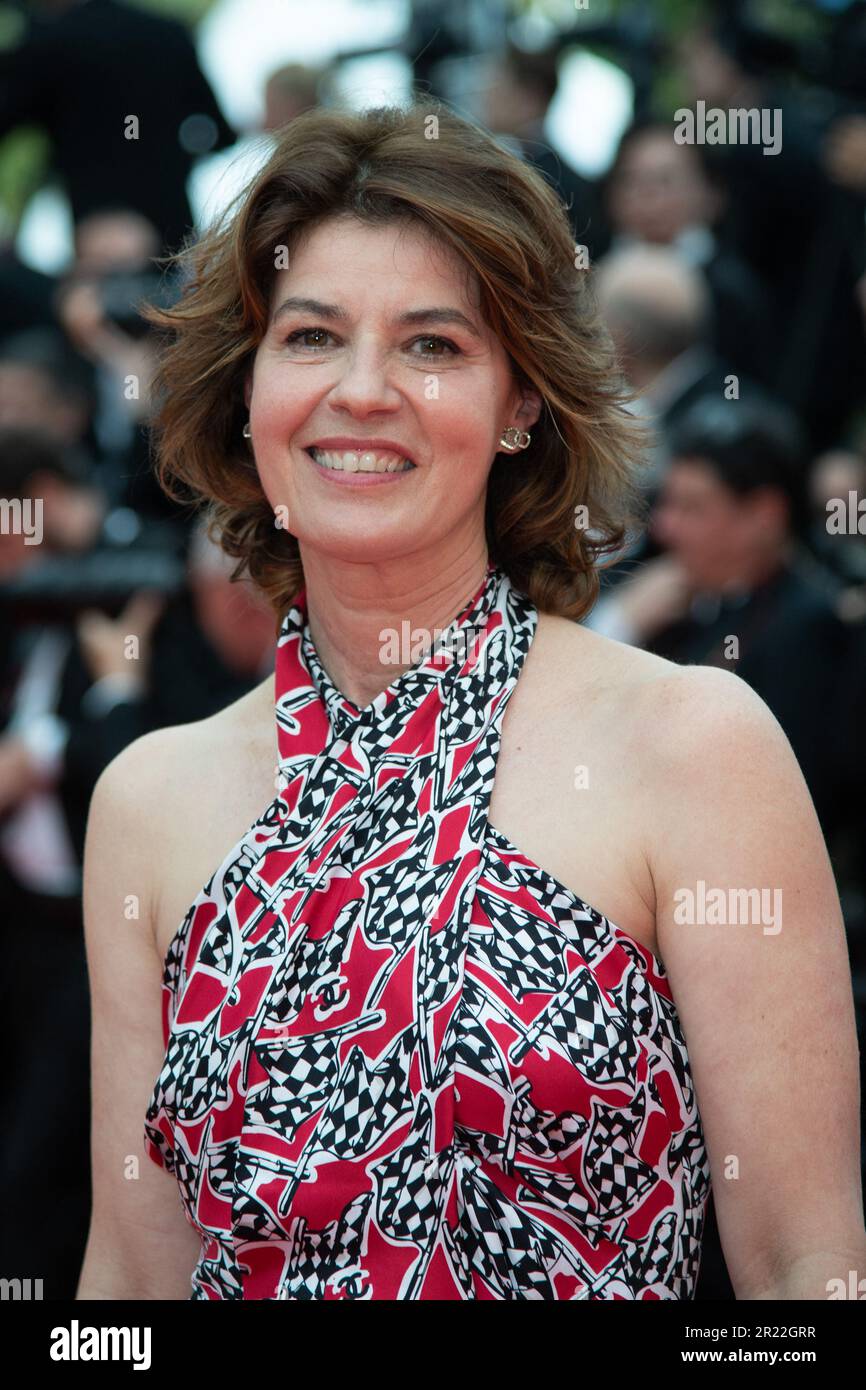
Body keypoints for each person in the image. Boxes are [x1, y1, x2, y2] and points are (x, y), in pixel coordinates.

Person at [75, 101, 865, 1301]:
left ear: (521, 402)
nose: (362, 390)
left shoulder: (692, 746)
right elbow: (129, 1277)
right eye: (309, 336)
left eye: (433, 345)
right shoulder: (146, 796)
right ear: (247, 388)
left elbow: (807, 1266)